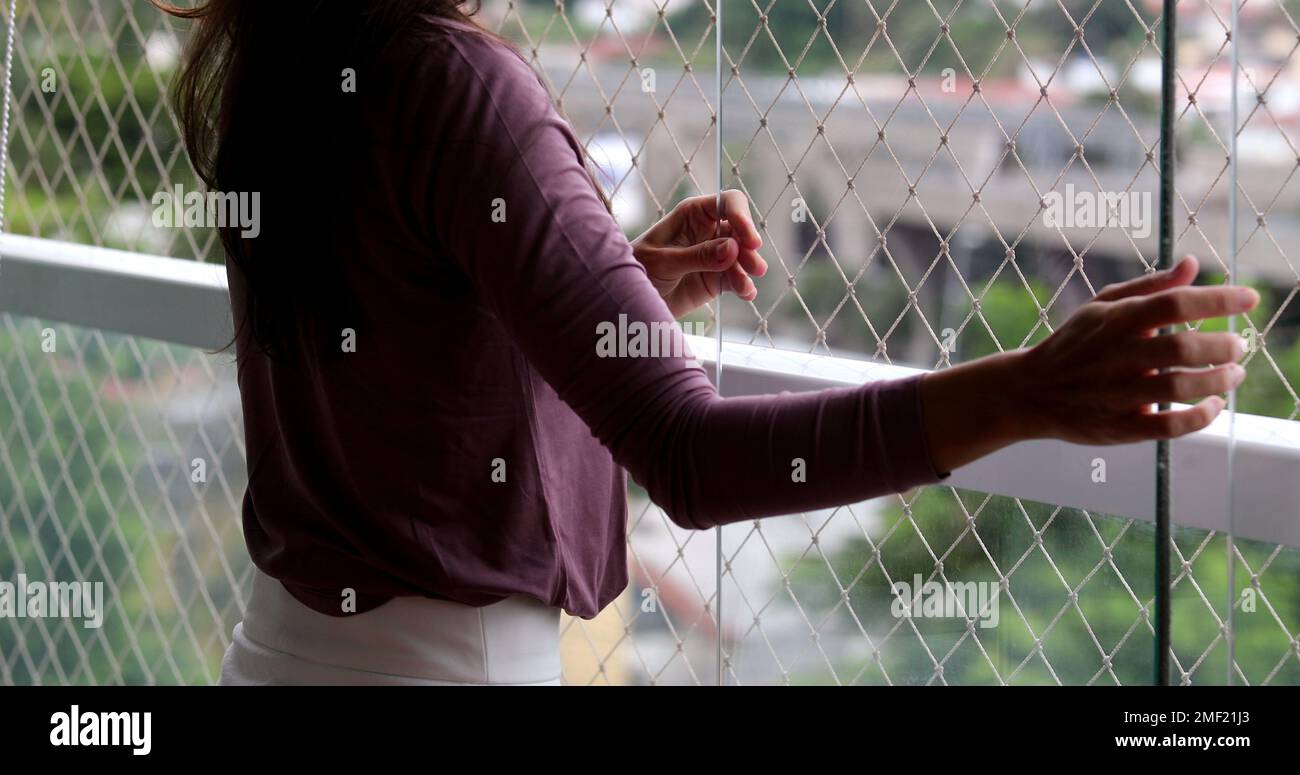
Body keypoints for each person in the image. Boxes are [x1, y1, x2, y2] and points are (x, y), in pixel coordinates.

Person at [150, 0, 1257, 685]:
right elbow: (691, 457)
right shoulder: (459, 86)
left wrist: (603, 294)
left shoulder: (287, 56)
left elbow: (394, 355)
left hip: (282, 651)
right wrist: (1030, 389)